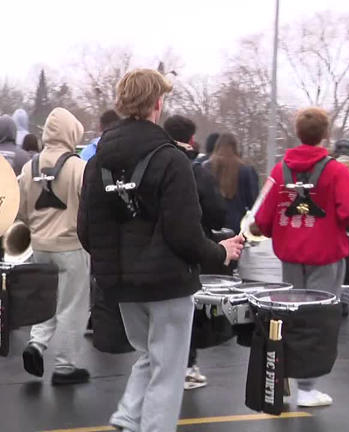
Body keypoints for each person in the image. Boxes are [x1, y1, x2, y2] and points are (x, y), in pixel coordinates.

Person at [79, 69, 243, 431]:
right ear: (158, 103)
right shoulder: (171, 160)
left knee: (151, 356)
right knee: (168, 370)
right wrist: (220, 253)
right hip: (167, 283)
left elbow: (86, 232)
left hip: (121, 285)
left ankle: (126, 418)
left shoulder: (95, 162)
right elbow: (185, 234)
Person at [252, 107, 349, 407]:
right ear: (325, 135)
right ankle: (308, 388)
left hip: (290, 256)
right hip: (326, 256)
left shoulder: (279, 171)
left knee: (290, 318)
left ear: (297, 132)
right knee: (320, 321)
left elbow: (261, 218)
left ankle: (285, 376)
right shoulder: (336, 171)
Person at [18, 107, 92, 385]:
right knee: (72, 307)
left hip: (39, 247)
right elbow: (90, 208)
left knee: (45, 302)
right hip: (71, 247)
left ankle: (36, 345)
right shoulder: (78, 167)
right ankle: (65, 367)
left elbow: (22, 211)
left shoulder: (29, 167)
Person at [163, 114, 226, 390]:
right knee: (185, 311)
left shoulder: (151, 163)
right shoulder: (195, 170)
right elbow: (216, 214)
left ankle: (158, 363)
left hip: (153, 249)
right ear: (190, 139)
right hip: (188, 250)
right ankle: (186, 366)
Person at [204, 133, 259, 235]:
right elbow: (253, 203)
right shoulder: (246, 170)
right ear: (235, 148)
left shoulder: (205, 168)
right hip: (237, 227)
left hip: (210, 227)